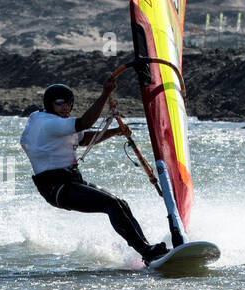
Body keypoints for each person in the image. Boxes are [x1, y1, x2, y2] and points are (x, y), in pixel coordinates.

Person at [20, 75, 170, 264]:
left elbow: (84, 139)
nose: (65, 107)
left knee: (120, 203)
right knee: (112, 204)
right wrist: (105, 94)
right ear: (49, 105)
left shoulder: (55, 123)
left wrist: (115, 132)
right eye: (59, 104)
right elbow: (84, 123)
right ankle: (147, 252)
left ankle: (147, 249)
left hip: (70, 182)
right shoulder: (49, 123)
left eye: (68, 103)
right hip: (57, 188)